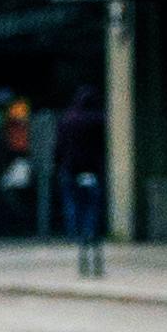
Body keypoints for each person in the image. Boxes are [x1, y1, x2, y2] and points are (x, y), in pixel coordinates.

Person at [55, 86, 106, 275]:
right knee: (92, 206)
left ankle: (76, 233)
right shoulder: (98, 120)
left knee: (73, 203)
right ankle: (90, 231)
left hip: (71, 169)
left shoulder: (67, 119)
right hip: (93, 169)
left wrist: (58, 164)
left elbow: (59, 146)